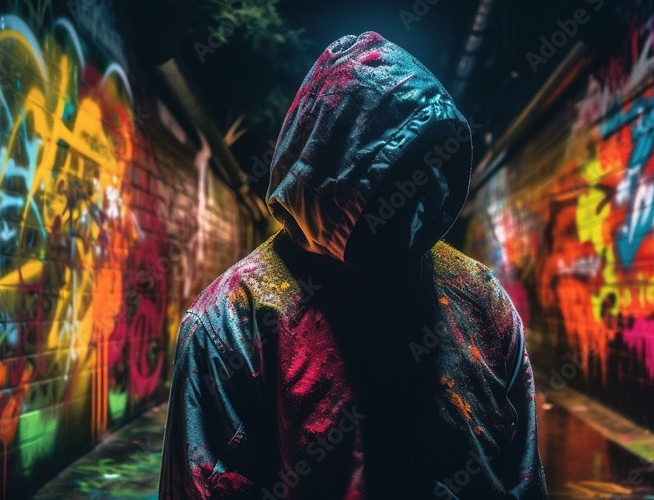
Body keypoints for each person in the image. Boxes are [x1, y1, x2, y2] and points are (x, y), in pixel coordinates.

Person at [160, 31, 547, 499]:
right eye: (383, 179)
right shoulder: (232, 326)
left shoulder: (483, 301)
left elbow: (522, 478)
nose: (406, 199)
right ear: (319, 173)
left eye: (420, 171)